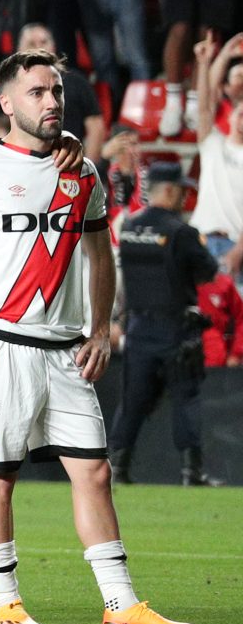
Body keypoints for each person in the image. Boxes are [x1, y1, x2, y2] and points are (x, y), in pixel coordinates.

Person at [0, 52, 195, 624]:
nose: (51, 102)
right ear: (8, 103)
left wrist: (98, 328)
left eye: (57, 93)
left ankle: (121, 605)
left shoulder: (81, 172)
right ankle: (6, 603)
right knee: (0, 475)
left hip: (65, 350)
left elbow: (99, 254)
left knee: (94, 472)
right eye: (38, 92)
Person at [110, 160, 222, 486]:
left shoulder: (129, 228)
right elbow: (208, 271)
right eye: (182, 191)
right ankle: (191, 471)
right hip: (175, 329)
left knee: (132, 400)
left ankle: (118, 466)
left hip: (138, 327)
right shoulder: (181, 232)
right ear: (171, 190)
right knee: (185, 399)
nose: (185, 198)